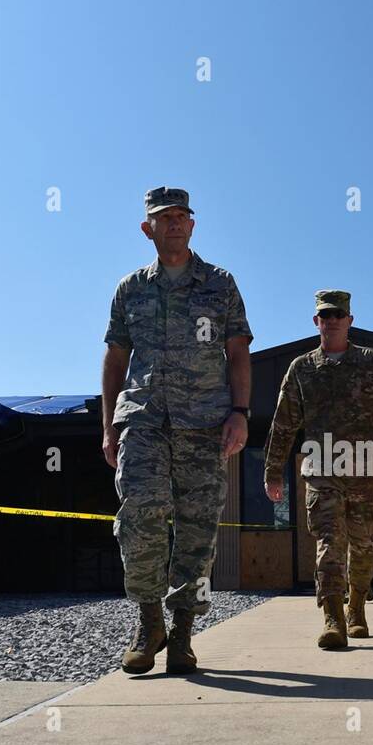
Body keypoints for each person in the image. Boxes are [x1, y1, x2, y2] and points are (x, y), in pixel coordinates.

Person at [101, 187, 252, 675]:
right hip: (143, 419)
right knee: (139, 520)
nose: (174, 224)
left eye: (182, 216)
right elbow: (116, 357)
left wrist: (240, 412)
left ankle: (183, 632)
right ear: (148, 228)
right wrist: (109, 427)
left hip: (204, 422)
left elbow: (239, 353)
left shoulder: (220, 284)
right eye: (164, 218)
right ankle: (149, 623)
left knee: (198, 528)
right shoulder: (130, 289)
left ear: (193, 224)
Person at [264, 291, 373, 648]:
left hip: (366, 470)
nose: (332, 320)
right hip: (322, 469)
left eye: (338, 314)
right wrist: (273, 470)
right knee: (329, 541)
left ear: (349, 320)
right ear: (316, 322)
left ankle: (356, 604)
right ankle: (333, 617)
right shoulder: (302, 368)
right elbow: (283, 424)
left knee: (364, 545)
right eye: (325, 315)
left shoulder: (372, 362)